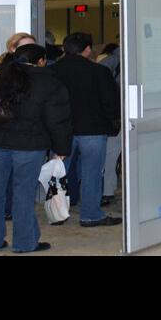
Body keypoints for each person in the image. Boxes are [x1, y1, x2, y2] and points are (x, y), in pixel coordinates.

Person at [0, 44, 72, 253]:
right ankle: (25, 243)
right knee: (23, 194)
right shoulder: (49, 83)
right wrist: (61, 147)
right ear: (41, 61)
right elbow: (57, 120)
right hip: (30, 147)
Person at [52, 33, 122, 227]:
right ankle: (91, 215)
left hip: (61, 130)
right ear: (88, 49)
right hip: (93, 129)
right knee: (91, 172)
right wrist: (113, 124)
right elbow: (110, 102)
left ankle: (57, 214)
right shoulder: (99, 71)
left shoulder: (52, 71)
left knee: (58, 172)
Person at [0, 32, 37, 220]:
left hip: (25, 137)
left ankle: (8, 215)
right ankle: (6, 217)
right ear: (12, 49)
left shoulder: (41, 76)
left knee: (19, 184)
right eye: (25, 46)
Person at [98, 44, 120, 205]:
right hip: (120, 114)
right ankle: (108, 190)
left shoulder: (109, 61)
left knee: (109, 155)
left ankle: (107, 190)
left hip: (111, 116)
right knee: (112, 154)